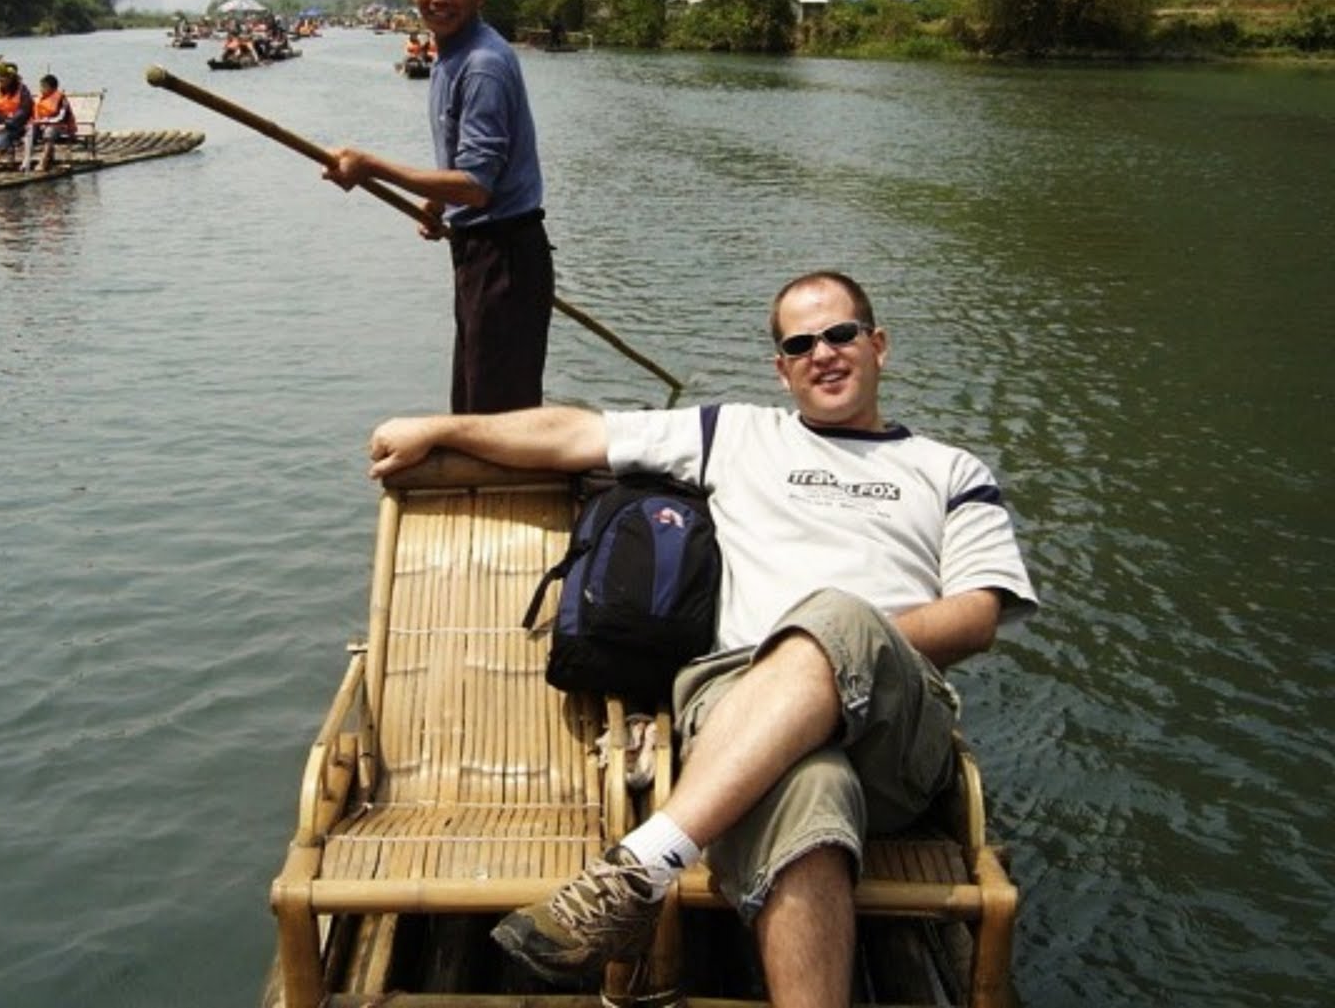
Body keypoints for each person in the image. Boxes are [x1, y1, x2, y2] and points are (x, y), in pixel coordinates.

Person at [366, 271, 1039, 1008]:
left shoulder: (949, 470)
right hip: (737, 703)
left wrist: (832, 642)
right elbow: (576, 432)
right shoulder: (734, 433)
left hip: (892, 721)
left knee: (834, 616)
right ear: (782, 369)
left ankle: (637, 869)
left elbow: (977, 613)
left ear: (877, 346)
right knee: (808, 785)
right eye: (800, 343)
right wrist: (442, 427)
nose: (824, 352)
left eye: (841, 333)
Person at [324, 0, 552, 414]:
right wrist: (434, 202)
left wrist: (369, 167)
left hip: (504, 260)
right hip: (480, 255)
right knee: (474, 408)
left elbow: (475, 188)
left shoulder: (483, 64)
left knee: (496, 424)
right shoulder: (451, 54)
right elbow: (462, 164)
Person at [0, 62, 34, 165]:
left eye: (3, 77)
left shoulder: (22, 90)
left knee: (4, 135)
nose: (0, 79)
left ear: (11, 78)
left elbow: (24, 112)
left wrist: (6, 125)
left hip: (17, 126)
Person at [27, 74, 76, 171]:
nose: (41, 89)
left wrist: (46, 122)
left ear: (53, 88)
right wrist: (38, 123)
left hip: (61, 126)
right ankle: (26, 160)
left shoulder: (61, 98)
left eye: (44, 87)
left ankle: (43, 161)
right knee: (29, 130)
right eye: (41, 86)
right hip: (42, 124)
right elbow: (35, 114)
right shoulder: (39, 98)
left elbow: (61, 117)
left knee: (50, 131)